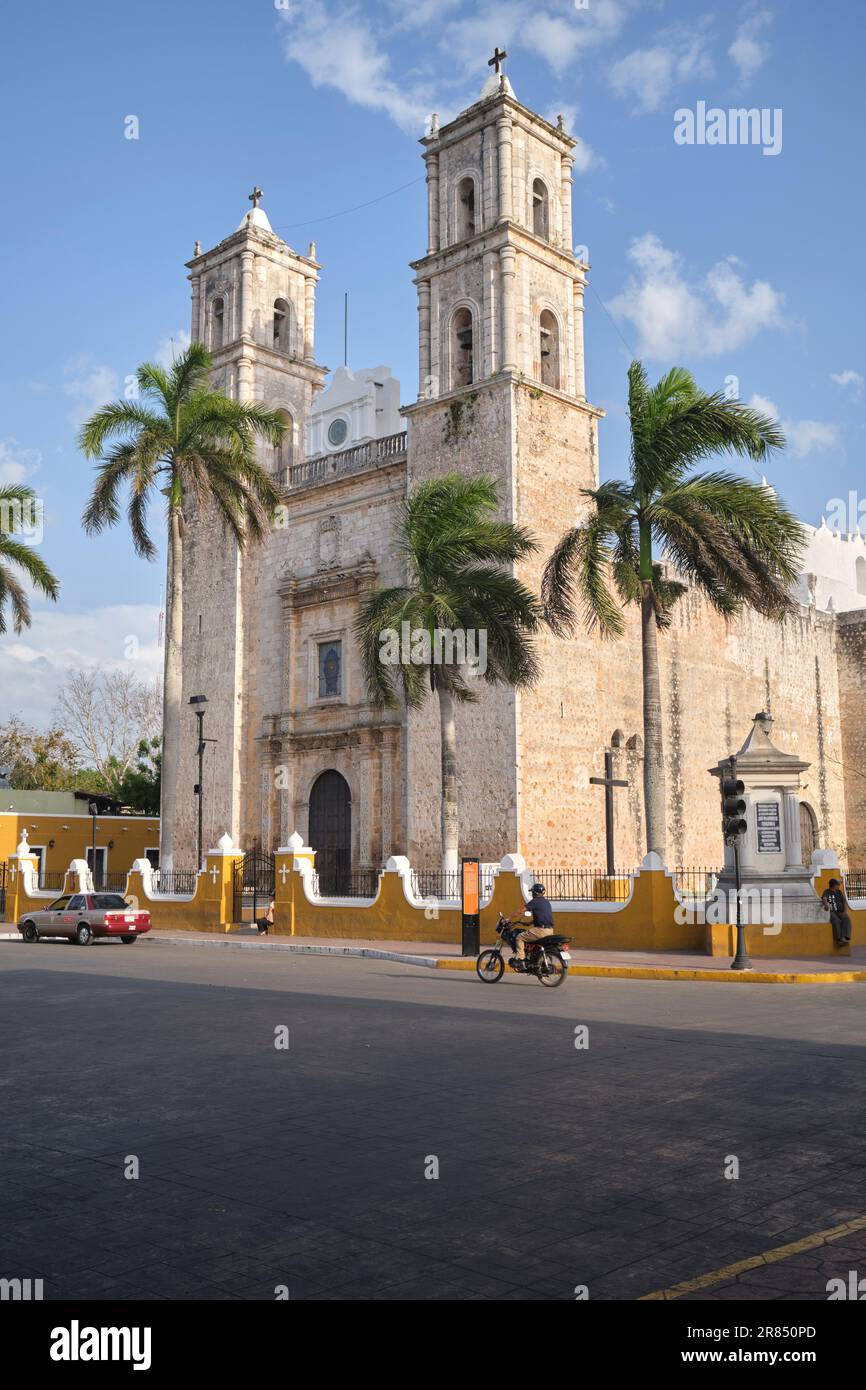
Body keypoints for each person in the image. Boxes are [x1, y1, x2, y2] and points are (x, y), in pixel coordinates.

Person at [508, 883, 555, 970]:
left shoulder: (535, 901)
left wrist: (508, 918)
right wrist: (529, 923)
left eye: (532, 892)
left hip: (541, 931)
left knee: (519, 937)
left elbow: (521, 911)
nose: (532, 894)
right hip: (550, 930)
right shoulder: (546, 902)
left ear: (535, 893)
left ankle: (521, 960)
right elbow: (543, 916)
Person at [821, 878, 852, 948]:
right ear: (834, 885)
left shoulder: (839, 892)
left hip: (841, 911)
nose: (839, 885)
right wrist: (826, 905)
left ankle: (844, 937)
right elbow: (824, 898)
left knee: (846, 918)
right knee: (836, 920)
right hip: (832, 912)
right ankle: (838, 939)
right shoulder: (827, 891)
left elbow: (844, 902)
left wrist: (844, 911)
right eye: (838, 884)